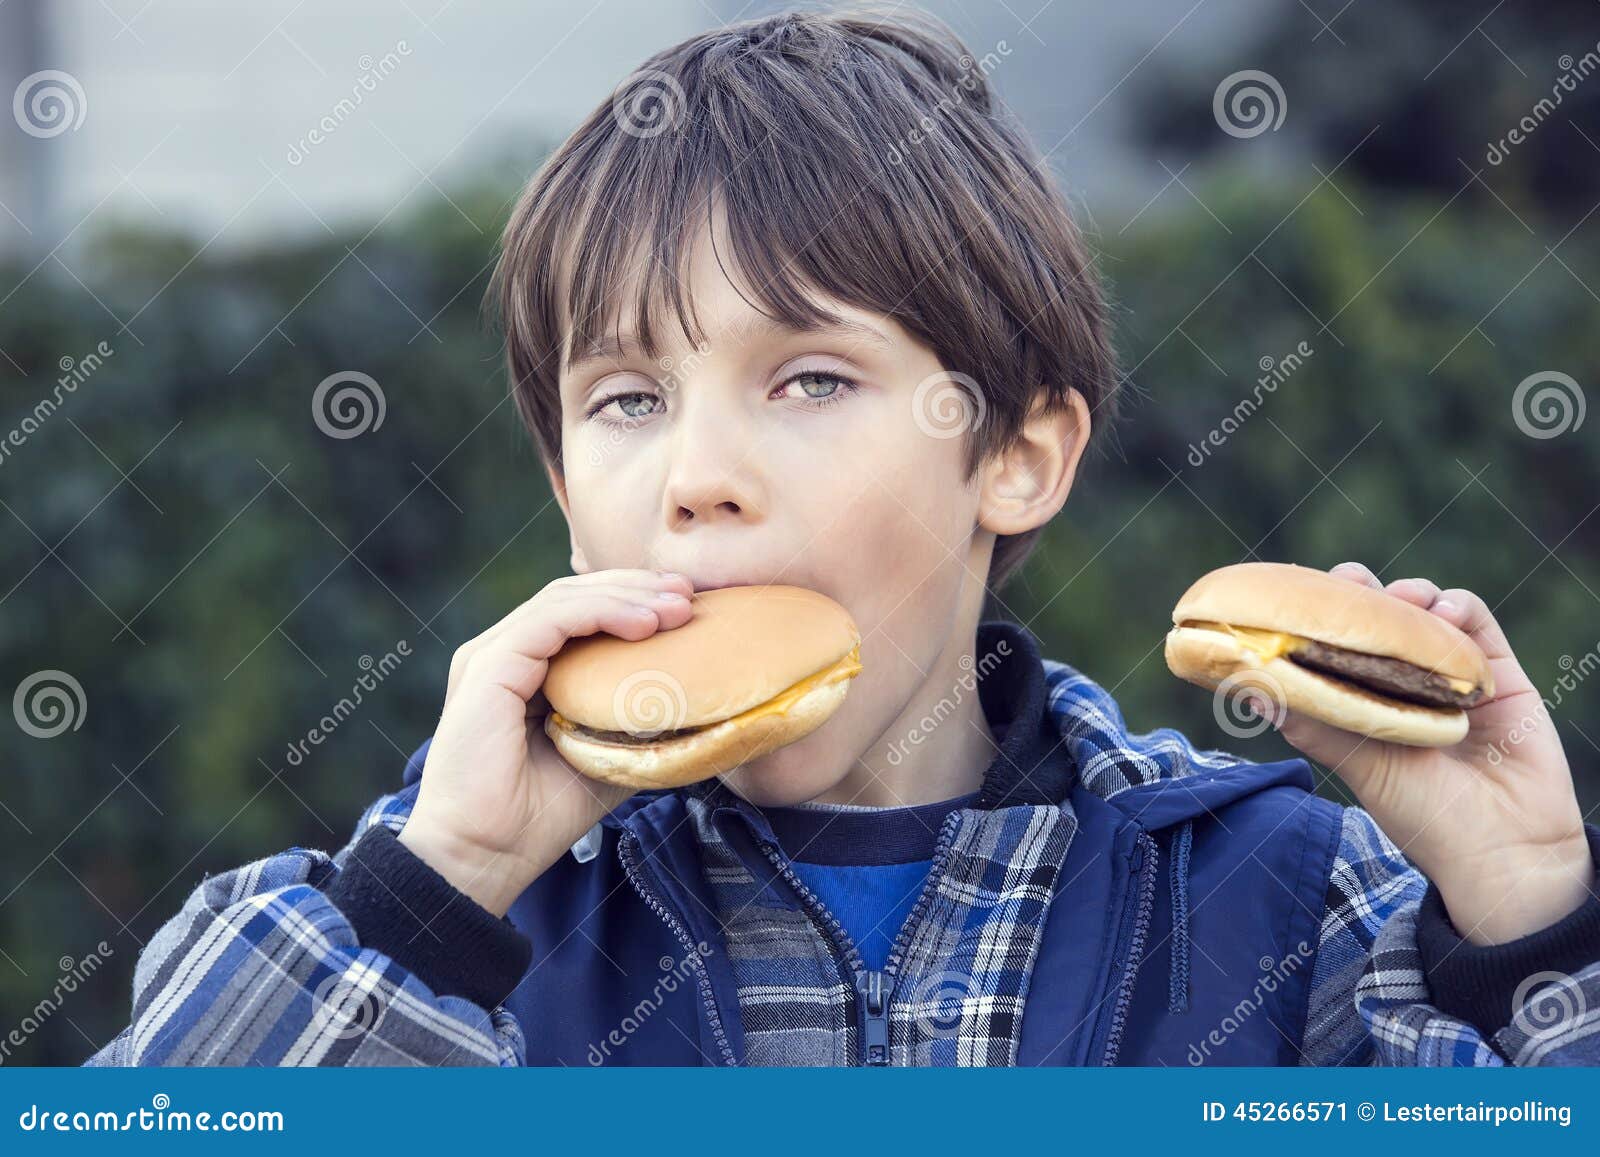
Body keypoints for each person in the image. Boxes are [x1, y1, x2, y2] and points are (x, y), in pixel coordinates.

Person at [87, 8, 1598, 1067]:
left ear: (1017, 454)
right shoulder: (443, 920)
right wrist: (440, 885)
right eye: (626, 398)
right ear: (560, 488)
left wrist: (1532, 928)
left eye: (809, 378)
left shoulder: (1295, 902)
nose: (699, 475)